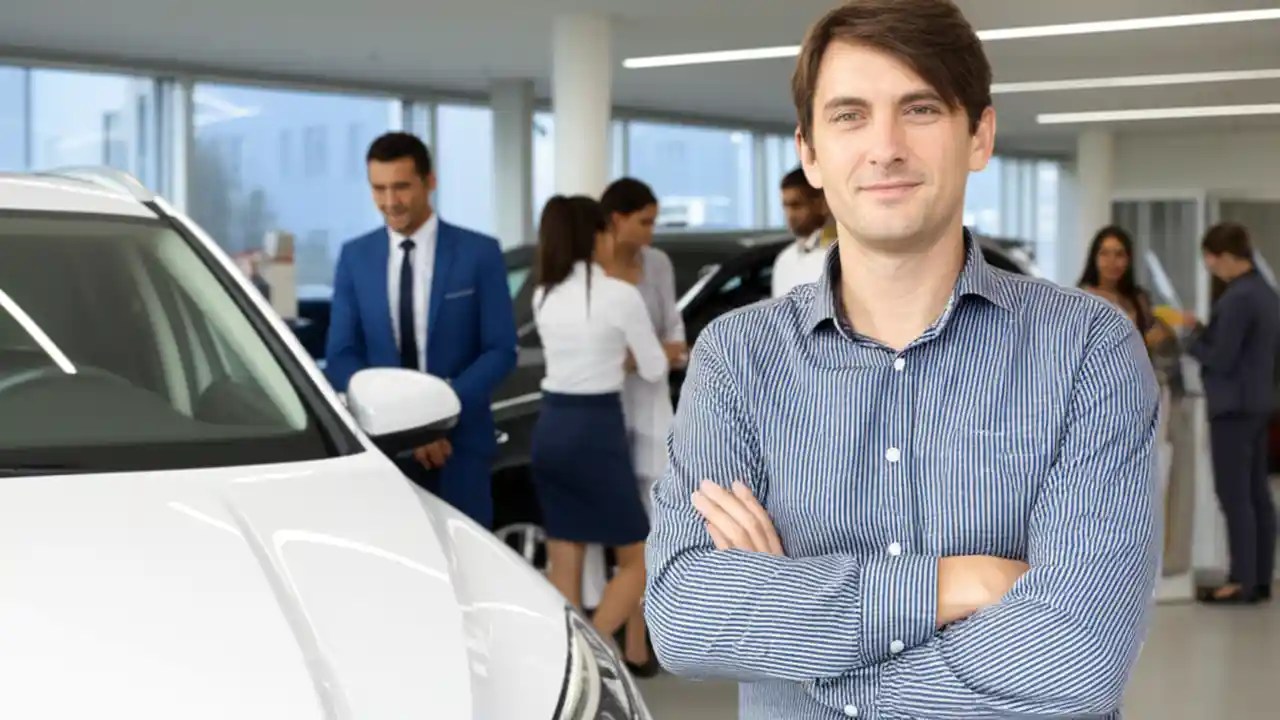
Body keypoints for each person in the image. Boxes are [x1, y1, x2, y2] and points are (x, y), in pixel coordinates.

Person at [643, 1, 1162, 718]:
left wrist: (809, 648)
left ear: (979, 135)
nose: (884, 147)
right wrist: (956, 585)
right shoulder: (739, 359)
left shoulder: (1087, 350)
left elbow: (1075, 652)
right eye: (850, 115)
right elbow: (683, 614)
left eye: (919, 109)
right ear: (810, 152)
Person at [324, 132, 517, 529]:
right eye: (378, 188)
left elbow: (500, 350)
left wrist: (435, 416)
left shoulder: (478, 253)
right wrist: (406, 425)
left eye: (401, 187)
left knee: (473, 572)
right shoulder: (355, 257)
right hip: (383, 450)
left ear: (430, 182)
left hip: (460, 447)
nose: (390, 201)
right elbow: (342, 355)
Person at [529, 195, 668, 652]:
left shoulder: (542, 295)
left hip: (551, 426)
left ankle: (569, 653)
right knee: (638, 556)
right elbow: (653, 368)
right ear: (595, 236)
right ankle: (594, 647)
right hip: (595, 429)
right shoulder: (620, 295)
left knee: (565, 556)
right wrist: (628, 359)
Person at [600, 177, 689, 676]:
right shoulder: (591, 273)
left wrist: (657, 352)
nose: (653, 231)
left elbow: (672, 328)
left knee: (656, 529)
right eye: (645, 221)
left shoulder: (658, 264)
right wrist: (642, 356)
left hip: (655, 408)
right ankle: (622, 639)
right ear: (616, 220)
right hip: (611, 413)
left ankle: (643, 639)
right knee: (624, 538)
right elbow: (605, 355)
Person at [1180, 222, 1280, 604]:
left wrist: (1191, 339)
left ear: (1220, 256)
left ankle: (1240, 580)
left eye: (1210, 262)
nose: (1211, 270)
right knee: (1257, 495)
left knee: (1235, 494)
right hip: (1258, 404)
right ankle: (1259, 578)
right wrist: (1208, 331)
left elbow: (1221, 358)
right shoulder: (1266, 293)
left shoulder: (1237, 298)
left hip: (1232, 408)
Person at [772, 167, 836, 298]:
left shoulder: (839, 256)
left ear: (822, 204)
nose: (790, 215)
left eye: (796, 205)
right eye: (786, 206)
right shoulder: (785, 260)